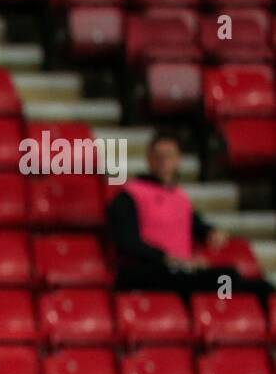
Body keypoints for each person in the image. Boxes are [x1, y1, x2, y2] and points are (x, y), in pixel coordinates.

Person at [107, 131, 274, 306]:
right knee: (225, 278)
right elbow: (126, 240)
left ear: (178, 160)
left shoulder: (179, 197)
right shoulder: (129, 194)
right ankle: (225, 306)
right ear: (149, 159)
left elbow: (194, 223)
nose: (163, 161)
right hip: (147, 272)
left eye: (169, 156)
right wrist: (165, 257)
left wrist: (211, 231)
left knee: (260, 286)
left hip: (179, 272)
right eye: (158, 156)